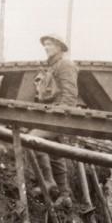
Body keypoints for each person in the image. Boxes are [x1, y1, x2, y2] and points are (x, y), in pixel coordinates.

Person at [31, 34, 79, 209]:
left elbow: (70, 95)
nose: (46, 47)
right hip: (51, 114)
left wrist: (60, 115)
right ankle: (65, 194)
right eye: (45, 44)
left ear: (59, 47)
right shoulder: (52, 67)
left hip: (59, 115)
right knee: (55, 153)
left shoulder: (65, 65)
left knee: (32, 139)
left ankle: (48, 181)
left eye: (50, 44)